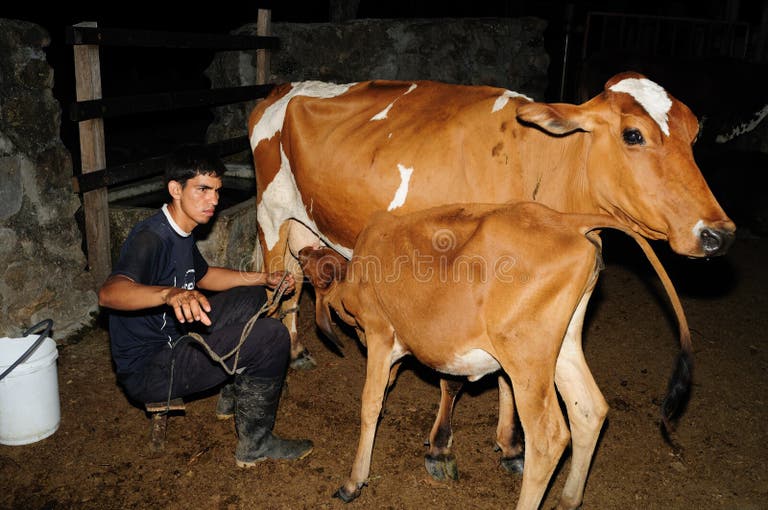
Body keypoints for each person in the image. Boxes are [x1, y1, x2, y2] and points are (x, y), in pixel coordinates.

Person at [98, 148, 313, 466]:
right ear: (175, 189)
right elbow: (109, 293)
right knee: (272, 336)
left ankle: (232, 395)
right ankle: (255, 444)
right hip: (152, 369)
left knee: (253, 297)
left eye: (216, 191)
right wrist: (169, 294)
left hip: (178, 340)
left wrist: (262, 278)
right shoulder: (151, 238)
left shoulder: (181, 231)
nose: (213, 200)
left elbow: (206, 275)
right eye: (202, 189)